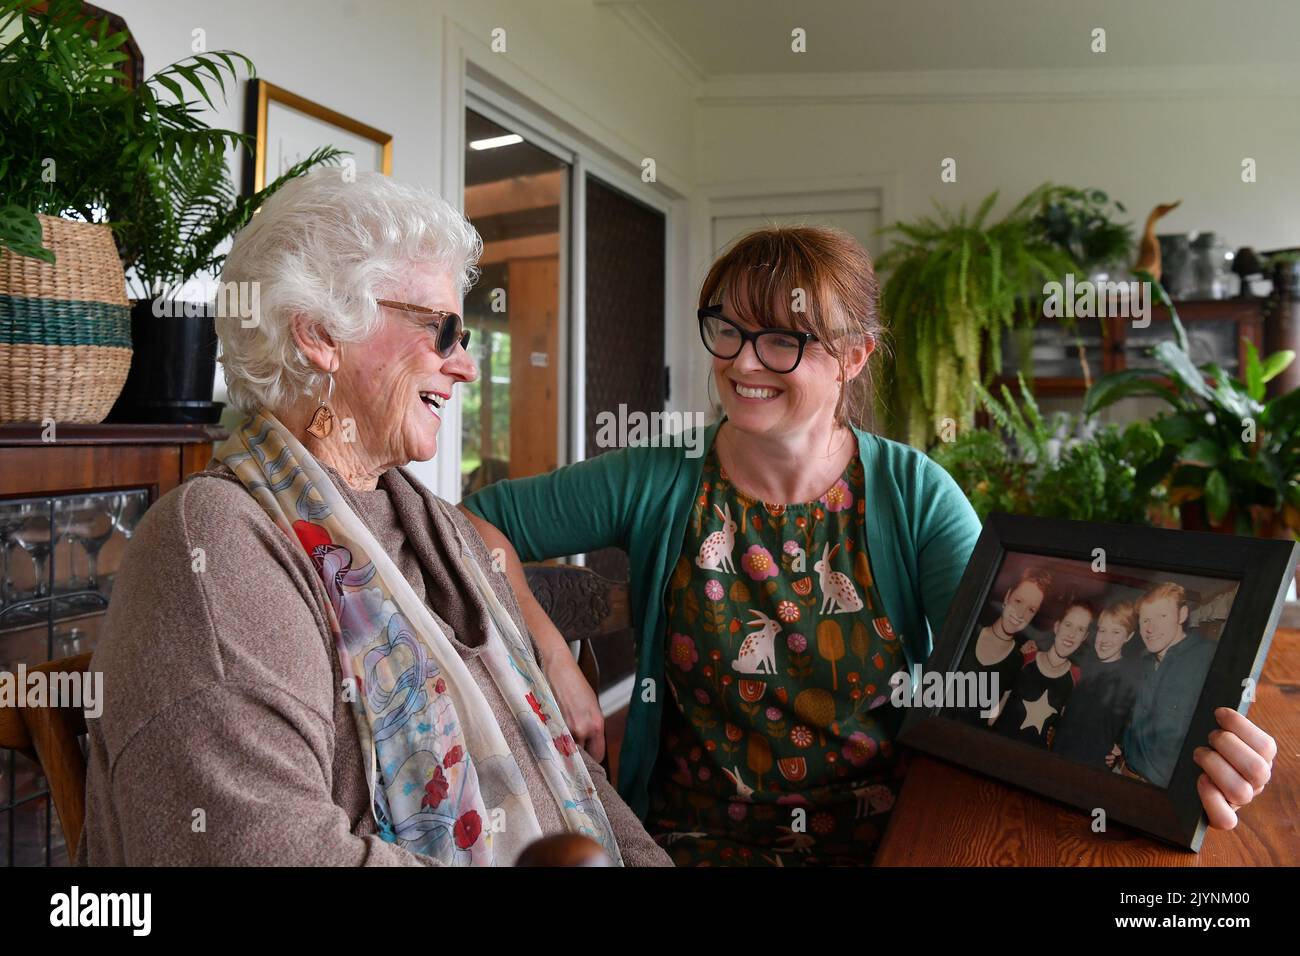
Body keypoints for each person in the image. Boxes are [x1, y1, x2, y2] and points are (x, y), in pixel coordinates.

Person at [78, 170, 669, 866]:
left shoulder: (436, 526)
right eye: (443, 330)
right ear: (321, 334)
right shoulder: (212, 546)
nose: (467, 367)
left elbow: (569, 771)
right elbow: (259, 851)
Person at [1111, 582, 1218, 788]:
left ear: (1182, 615)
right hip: (1123, 772)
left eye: (1162, 616)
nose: (1150, 628)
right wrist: (1119, 743)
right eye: (1145, 620)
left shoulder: (1209, 658)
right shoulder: (1143, 661)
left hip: (1161, 794)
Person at [1053, 599, 1145, 767]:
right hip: (1057, 756)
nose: (1105, 639)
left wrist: (1121, 750)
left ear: (1129, 636)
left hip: (1091, 767)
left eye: (1115, 632)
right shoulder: (1083, 666)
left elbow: (1139, 723)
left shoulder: (1132, 675)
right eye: (1102, 630)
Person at [955, 567, 1051, 725]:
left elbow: (993, 718)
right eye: (1018, 601)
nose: (1020, 614)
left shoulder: (1017, 660)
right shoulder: (968, 632)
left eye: (1031, 610)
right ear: (1007, 597)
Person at [993, 599, 1092, 747]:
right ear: (1057, 627)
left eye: (1080, 629)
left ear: (1085, 637)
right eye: (1068, 625)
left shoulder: (1077, 679)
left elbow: (1069, 731)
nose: (1071, 634)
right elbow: (994, 708)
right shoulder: (1025, 658)